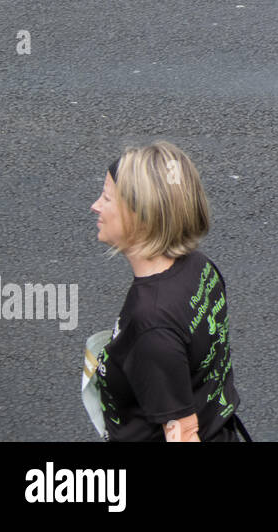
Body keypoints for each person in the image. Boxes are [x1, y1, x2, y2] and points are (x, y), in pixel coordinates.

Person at [89, 140, 247, 442]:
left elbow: (183, 435)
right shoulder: (200, 268)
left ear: (139, 216)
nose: (95, 206)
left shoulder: (151, 322)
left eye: (107, 199)